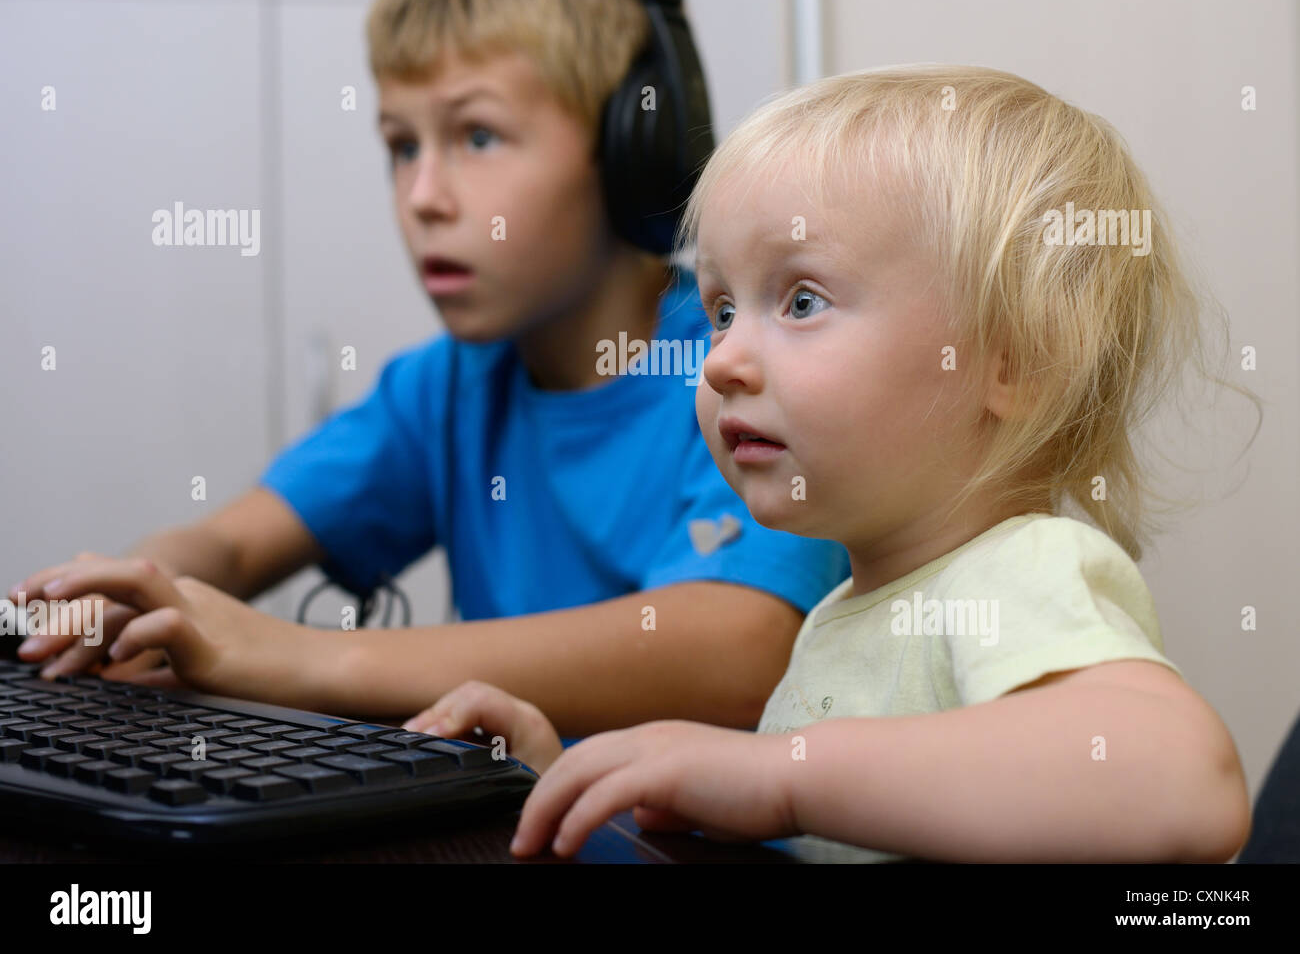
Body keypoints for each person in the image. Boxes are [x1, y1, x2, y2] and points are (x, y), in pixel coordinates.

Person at [7, 0, 849, 736]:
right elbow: (228, 547)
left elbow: (741, 648)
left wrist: (310, 660)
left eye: (477, 136)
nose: (423, 197)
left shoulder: (743, 367)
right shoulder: (443, 389)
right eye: (402, 145)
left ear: (633, 145)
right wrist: (139, 586)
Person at [408, 65, 1258, 862]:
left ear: (1015, 364)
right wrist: (561, 782)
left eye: (802, 300)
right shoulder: (844, 615)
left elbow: (1184, 779)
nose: (722, 361)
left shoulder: (1018, 573)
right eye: (723, 308)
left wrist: (781, 775)